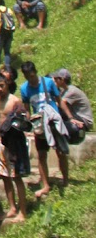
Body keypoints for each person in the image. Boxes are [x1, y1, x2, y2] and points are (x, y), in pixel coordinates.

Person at [19, 60, 70, 195]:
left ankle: (65, 180)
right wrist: (28, 125)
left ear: (35, 72)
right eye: (27, 77)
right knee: (41, 154)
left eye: (31, 75)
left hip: (52, 121)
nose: (30, 79)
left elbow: (59, 101)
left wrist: (70, 118)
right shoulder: (24, 89)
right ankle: (45, 184)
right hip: (39, 124)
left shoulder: (48, 83)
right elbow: (27, 109)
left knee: (61, 152)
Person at [0, 68, 29, 221]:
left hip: (14, 142)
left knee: (16, 176)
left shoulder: (15, 101)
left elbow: (23, 122)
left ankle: (23, 211)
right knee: (5, 176)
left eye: (2, 85)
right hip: (1, 141)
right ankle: (12, 207)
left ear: (8, 84)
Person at [54, 68, 94, 134]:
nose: (54, 81)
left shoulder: (71, 91)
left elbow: (60, 104)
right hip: (76, 116)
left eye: (56, 79)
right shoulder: (64, 91)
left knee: (60, 111)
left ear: (62, 80)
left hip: (84, 121)